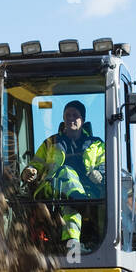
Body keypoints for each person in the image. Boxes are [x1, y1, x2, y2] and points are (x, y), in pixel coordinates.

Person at [20, 100, 105, 248]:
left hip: (88, 194)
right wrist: (29, 171)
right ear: (63, 118)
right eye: (68, 115)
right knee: (66, 171)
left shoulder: (96, 144)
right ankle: (81, 204)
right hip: (51, 190)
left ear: (83, 120)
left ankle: (71, 244)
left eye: (75, 115)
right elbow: (36, 164)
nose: (71, 118)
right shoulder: (51, 142)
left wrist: (100, 174)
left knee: (70, 208)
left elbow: (106, 166)